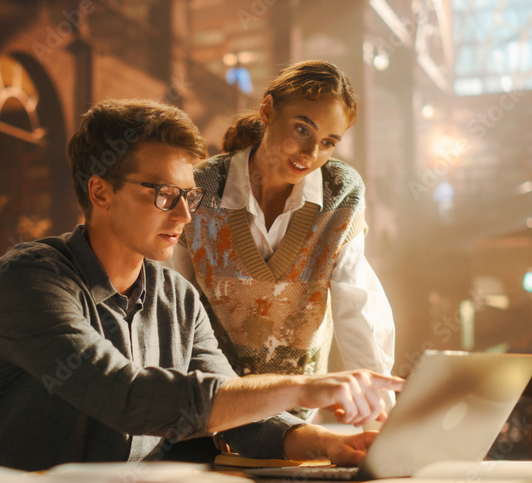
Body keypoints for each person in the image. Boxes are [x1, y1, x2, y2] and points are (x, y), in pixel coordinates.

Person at [0, 99, 403, 472]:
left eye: (189, 196)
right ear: (101, 192)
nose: (184, 215)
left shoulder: (178, 299)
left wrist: (332, 444)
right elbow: (122, 396)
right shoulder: (29, 279)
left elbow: (239, 419)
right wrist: (303, 388)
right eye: (164, 194)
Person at [168, 61, 395, 419]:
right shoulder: (202, 188)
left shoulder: (341, 192)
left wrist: (376, 409)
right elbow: (177, 302)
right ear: (268, 110)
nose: (311, 154)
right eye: (302, 129)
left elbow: (358, 305)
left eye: (328, 142)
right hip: (216, 408)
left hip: (301, 419)